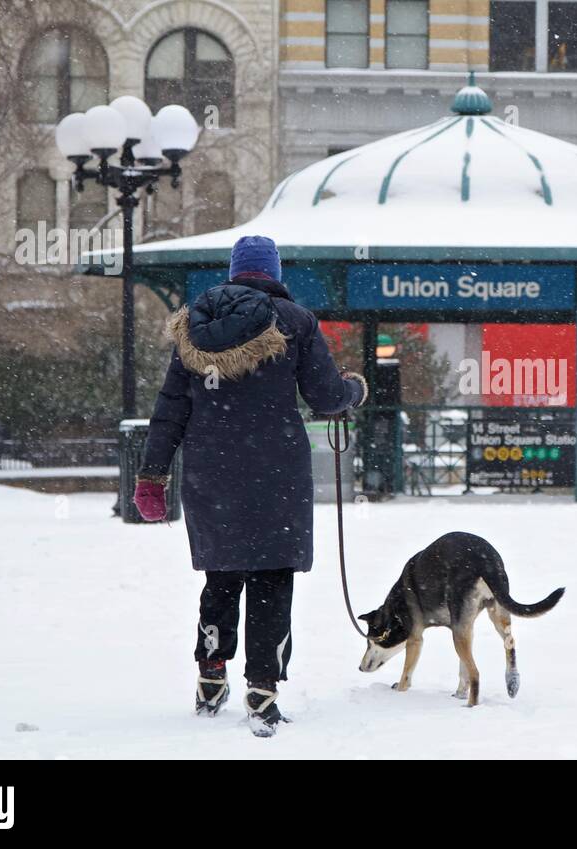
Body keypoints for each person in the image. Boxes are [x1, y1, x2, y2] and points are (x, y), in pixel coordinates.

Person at [133, 235, 366, 737]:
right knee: (271, 579)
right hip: (275, 474)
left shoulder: (194, 325)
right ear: (273, 272)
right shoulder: (297, 322)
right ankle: (261, 689)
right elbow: (326, 397)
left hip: (208, 472)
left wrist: (153, 475)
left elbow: (171, 409)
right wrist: (355, 389)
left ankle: (210, 676)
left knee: (221, 576)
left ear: (234, 271)